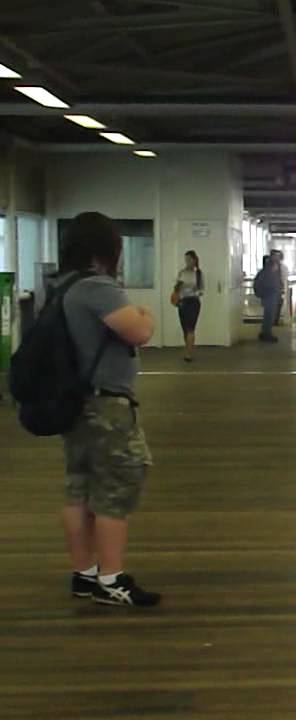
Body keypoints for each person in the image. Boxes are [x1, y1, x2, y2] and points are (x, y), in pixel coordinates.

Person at [58, 211, 160, 607]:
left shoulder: (63, 286)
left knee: (79, 490)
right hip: (107, 407)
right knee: (114, 490)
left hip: (77, 403)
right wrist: (145, 314)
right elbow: (139, 331)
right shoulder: (98, 287)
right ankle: (112, 579)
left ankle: (84, 574)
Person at [172, 250, 203, 362]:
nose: (187, 262)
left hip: (193, 302)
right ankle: (188, 348)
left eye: (189, 259)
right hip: (183, 302)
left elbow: (201, 290)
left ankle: (189, 354)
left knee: (190, 328)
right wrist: (176, 293)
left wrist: (195, 290)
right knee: (185, 329)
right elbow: (176, 288)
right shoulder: (182, 273)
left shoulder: (198, 273)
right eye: (186, 260)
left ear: (194, 260)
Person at [253, 254, 281, 343]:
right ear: (273, 265)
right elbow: (271, 286)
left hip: (268, 297)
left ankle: (265, 333)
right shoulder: (269, 274)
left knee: (268, 316)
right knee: (269, 317)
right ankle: (266, 334)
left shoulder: (265, 272)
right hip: (269, 298)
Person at [270, 249, 289, 328]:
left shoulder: (283, 267)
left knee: (278, 305)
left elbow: (284, 279)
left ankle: (275, 320)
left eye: (278, 256)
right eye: (274, 256)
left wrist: (283, 289)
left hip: (279, 289)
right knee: (272, 305)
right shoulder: (269, 266)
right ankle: (272, 320)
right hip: (271, 289)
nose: (276, 258)